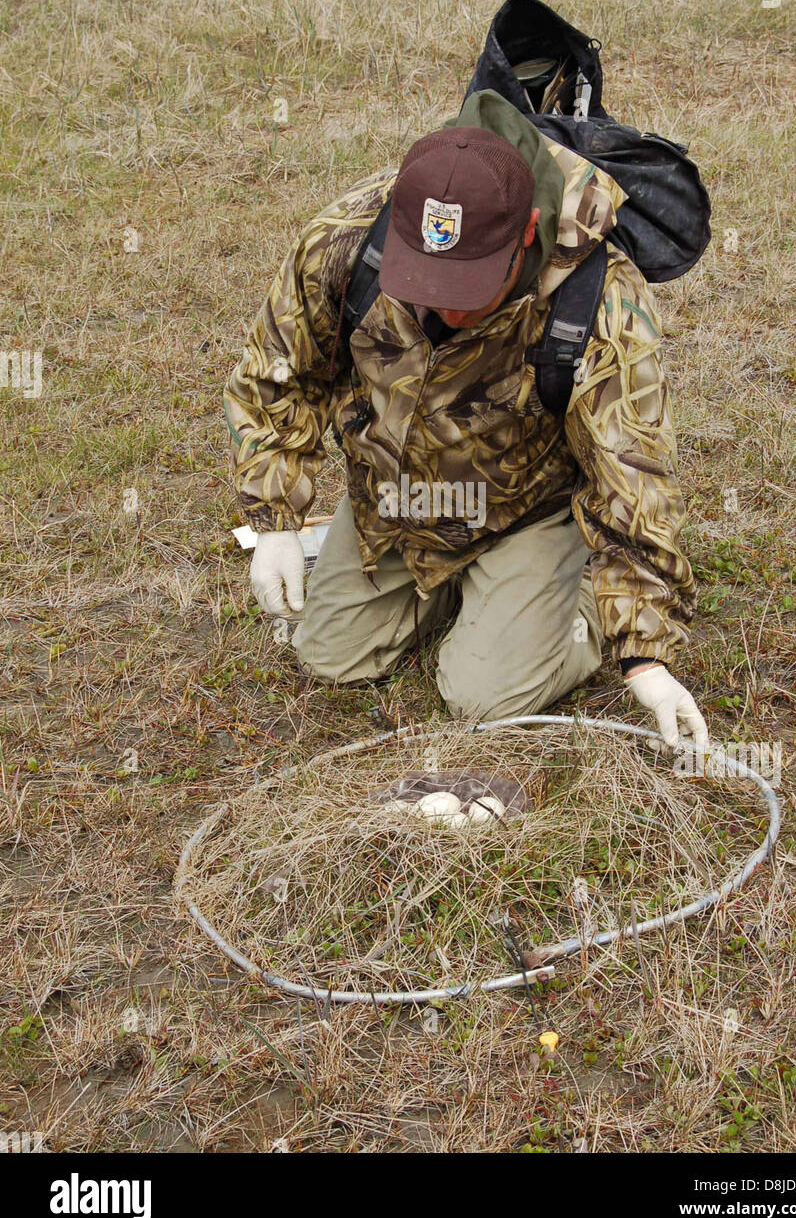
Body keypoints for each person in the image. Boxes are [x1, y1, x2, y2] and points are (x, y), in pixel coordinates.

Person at [224, 88, 709, 751]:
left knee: (483, 696)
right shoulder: (347, 237)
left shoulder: (602, 298)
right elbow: (277, 373)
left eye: (467, 287)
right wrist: (274, 520)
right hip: (401, 498)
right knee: (329, 657)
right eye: (426, 279)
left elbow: (634, 476)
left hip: (528, 509)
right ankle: (468, 594)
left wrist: (644, 657)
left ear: (526, 236)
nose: (446, 308)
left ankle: (565, 597)